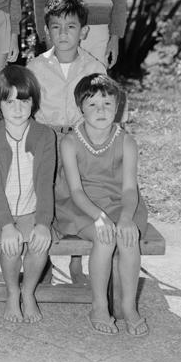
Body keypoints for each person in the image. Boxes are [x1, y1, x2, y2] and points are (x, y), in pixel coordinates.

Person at [55, 73, 149, 337]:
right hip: (80, 205)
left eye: (108, 104)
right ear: (80, 108)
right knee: (105, 238)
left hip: (121, 203)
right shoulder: (70, 142)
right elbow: (75, 190)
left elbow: (130, 188)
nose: (101, 110)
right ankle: (98, 305)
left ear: (117, 107)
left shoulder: (127, 142)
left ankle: (129, 307)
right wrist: (98, 216)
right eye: (93, 104)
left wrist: (127, 217)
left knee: (127, 237)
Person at [27, 0, 106, 283]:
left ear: (83, 31)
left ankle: (76, 262)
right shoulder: (34, 68)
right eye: (56, 26)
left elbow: (101, 112)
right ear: (46, 30)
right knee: (42, 198)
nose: (63, 33)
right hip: (45, 141)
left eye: (71, 26)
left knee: (79, 198)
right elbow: (28, 110)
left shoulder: (95, 68)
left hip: (79, 143)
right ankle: (42, 259)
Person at [0, 66, 56, 323]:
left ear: (34, 101)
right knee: (11, 246)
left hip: (33, 208)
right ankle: (11, 292)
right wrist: (7, 225)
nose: (17, 109)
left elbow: (45, 184)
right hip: (0, 211)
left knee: (40, 246)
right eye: (9, 102)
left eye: (24, 100)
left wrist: (43, 224)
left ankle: (28, 292)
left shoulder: (44, 135)